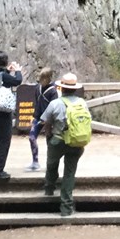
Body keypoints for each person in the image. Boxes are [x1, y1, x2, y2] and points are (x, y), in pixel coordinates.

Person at [39, 72, 92, 215]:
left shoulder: (55, 103)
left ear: (61, 88)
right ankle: (66, 208)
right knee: (69, 173)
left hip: (58, 140)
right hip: (76, 142)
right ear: (75, 88)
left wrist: (48, 136)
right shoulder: (82, 103)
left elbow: (46, 122)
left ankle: (49, 189)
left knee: (52, 165)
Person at [0, 51, 22, 182]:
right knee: (4, 141)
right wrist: (17, 70)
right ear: (6, 62)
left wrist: (7, 71)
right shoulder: (3, 76)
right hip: (4, 112)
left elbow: (3, 79)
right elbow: (17, 81)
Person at [26, 66, 58, 172]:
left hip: (49, 119)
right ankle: (35, 162)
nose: (42, 81)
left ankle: (51, 164)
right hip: (39, 117)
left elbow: (54, 106)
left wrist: (49, 120)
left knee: (50, 141)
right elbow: (37, 103)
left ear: (48, 78)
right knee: (32, 137)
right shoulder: (38, 88)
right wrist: (34, 117)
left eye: (44, 79)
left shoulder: (53, 91)